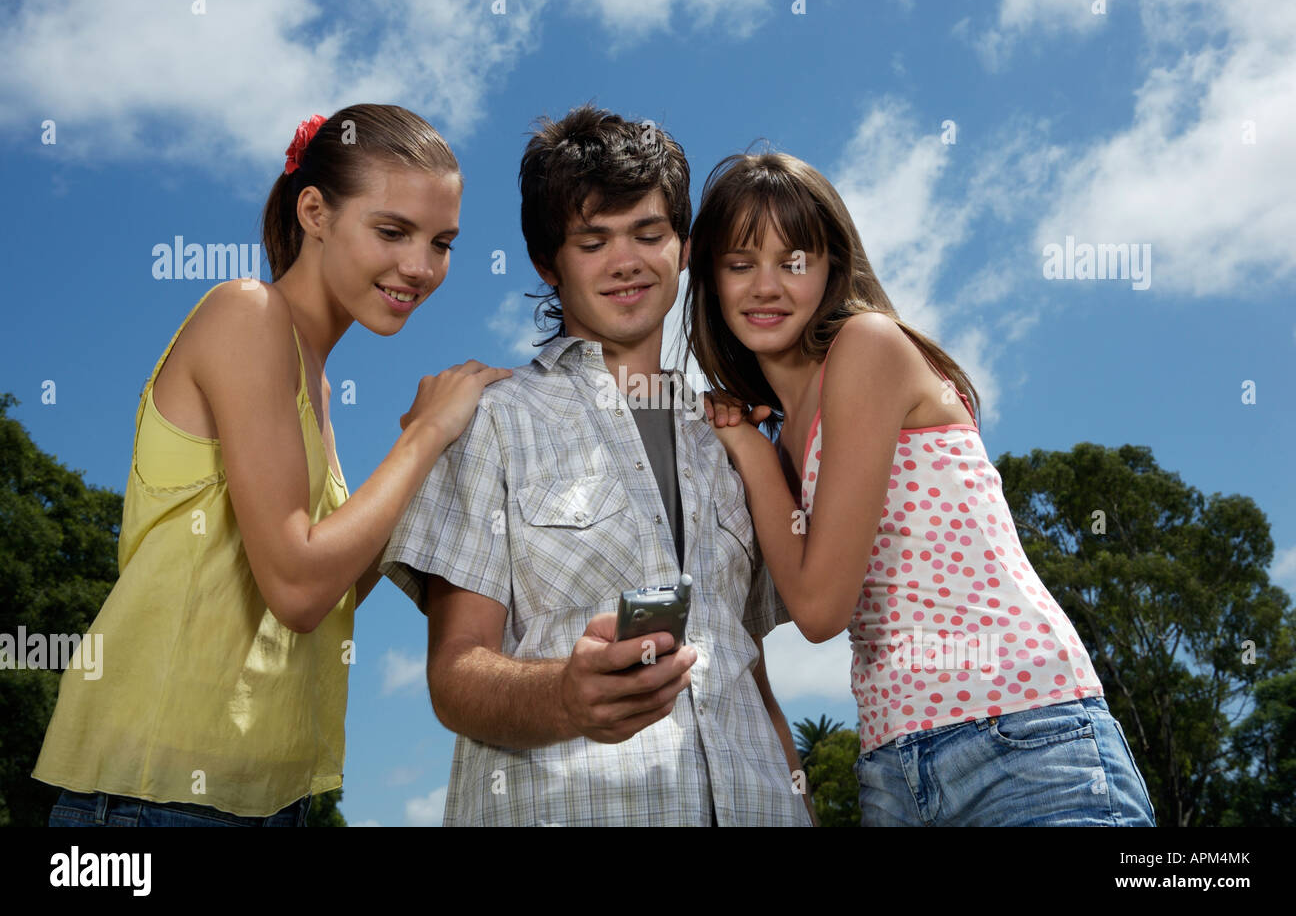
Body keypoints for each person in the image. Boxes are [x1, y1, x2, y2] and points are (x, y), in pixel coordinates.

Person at [34, 105, 510, 826]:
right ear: (314, 211)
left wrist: (427, 448)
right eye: (392, 230)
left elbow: (329, 588)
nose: (420, 266)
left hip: (264, 800)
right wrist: (423, 439)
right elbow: (296, 584)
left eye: (441, 242)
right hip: (154, 796)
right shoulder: (247, 314)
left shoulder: (313, 379)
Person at [687, 150, 1157, 827]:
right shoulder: (784, 435)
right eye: (739, 263)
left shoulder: (867, 347)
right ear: (709, 278)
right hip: (891, 767)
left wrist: (746, 451)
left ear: (830, 268)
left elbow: (818, 606)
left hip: (1023, 738)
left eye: (794, 260)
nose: (767, 285)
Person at [379, 106, 812, 826]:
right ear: (550, 264)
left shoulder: (733, 438)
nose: (626, 262)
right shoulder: (491, 417)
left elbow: (750, 671)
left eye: (649, 232)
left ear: (684, 247)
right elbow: (454, 671)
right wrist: (563, 695)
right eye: (593, 241)